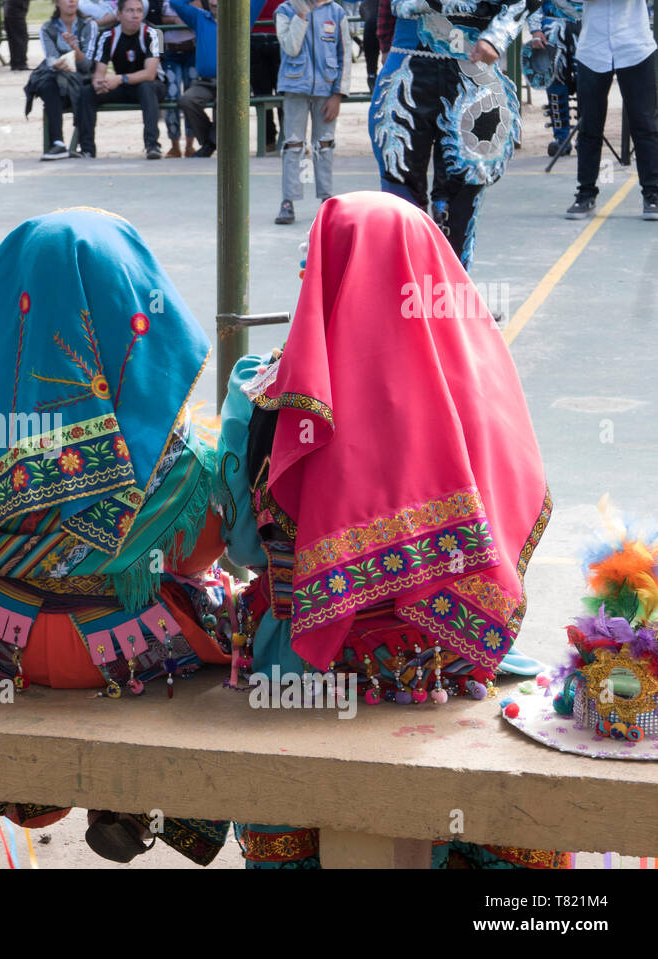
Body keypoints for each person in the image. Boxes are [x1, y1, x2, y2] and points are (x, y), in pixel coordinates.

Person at [221, 191, 565, 869]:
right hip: (445, 665)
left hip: (300, 678)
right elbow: (513, 533)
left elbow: (237, 548)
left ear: (316, 278)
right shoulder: (481, 391)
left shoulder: (261, 397)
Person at [0, 208, 237, 865]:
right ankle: (132, 806)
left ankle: (23, 794)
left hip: (1, 641)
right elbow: (203, 551)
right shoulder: (167, 450)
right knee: (221, 609)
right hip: (117, 650)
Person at [369, 1, 533, 269]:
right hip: (407, 62)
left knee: (463, 188)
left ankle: (452, 296)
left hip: (472, 67)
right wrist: (385, 43)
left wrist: (499, 35)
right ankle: (405, 295)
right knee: (399, 182)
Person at [565, 0, 658, 221]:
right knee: (589, 125)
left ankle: (652, 193)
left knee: (644, 123)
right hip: (593, 47)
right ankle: (585, 194)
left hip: (635, 45)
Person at [273, 0, 351, 225]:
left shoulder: (337, 13)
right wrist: (301, 16)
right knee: (293, 144)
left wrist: (338, 94)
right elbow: (290, 46)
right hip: (295, 87)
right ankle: (288, 201)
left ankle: (327, 199)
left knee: (325, 144)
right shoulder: (286, 11)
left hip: (327, 89)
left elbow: (344, 54)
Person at [89, 0, 166, 159]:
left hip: (153, 86)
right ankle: (86, 148)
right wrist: (99, 82)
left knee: (146, 86)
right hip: (124, 85)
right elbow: (100, 71)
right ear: (118, 15)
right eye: (130, 11)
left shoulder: (153, 33)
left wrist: (119, 78)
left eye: (139, 11)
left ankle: (152, 145)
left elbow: (150, 74)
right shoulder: (107, 35)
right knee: (88, 92)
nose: (135, 15)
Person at [27, 0, 98, 160]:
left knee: (85, 89)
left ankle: (85, 147)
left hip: (81, 78)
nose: (71, 1)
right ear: (57, 2)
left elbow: (87, 65)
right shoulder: (48, 28)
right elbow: (52, 61)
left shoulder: (88, 25)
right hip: (58, 78)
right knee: (48, 84)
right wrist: (62, 63)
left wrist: (74, 48)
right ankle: (58, 143)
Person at [526, 0, 581, 157]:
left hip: (587, 25)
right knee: (555, 83)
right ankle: (562, 138)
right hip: (552, 27)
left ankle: (585, 137)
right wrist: (535, 30)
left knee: (587, 83)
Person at [146, 0, 195, 156]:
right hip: (169, 51)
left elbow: (201, 11)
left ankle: (190, 144)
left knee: (191, 95)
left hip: (192, 49)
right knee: (171, 96)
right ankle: (174, 143)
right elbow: (154, 17)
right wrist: (174, 20)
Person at [170, 0, 214, 156]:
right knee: (186, 100)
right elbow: (175, 2)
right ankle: (210, 141)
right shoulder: (200, 17)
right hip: (205, 82)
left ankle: (210, 145)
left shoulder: (243, 16)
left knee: (228, 100)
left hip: (233, 82)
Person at [251, 0, 284, 152]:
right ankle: (268, 139)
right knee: (262, 94)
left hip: (281, 36)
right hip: (255, 37)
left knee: (285, 92)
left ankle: (289, 138)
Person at [4, 0, 30, 69]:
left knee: (14, 39)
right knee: (21, 39)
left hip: (10, 12)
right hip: (16, 13)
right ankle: (20, 63)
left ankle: (15, 63)